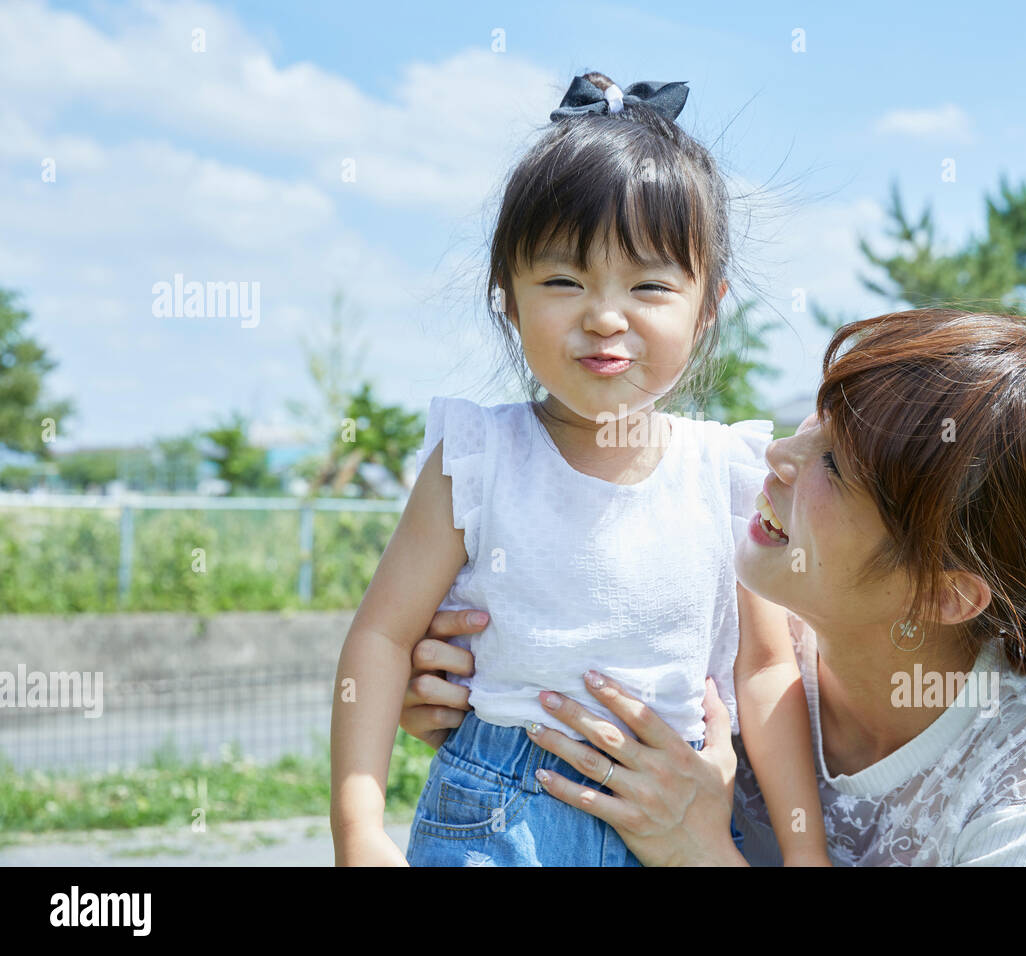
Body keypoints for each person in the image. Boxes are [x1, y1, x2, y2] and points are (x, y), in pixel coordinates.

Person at [400, 308, 1026, 865]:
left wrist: (700, 852)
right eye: (817, 419)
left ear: (945, 594)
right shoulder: (715, 624)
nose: (778, 454)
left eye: (834, 466)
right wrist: (485, 704)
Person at [330, 71, 830, 867]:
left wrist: (807, 858)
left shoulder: (727, 473)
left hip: (675, 817)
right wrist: (358, 831)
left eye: (650, 284)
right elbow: (382, 638)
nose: (604, 315)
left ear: (707, 309)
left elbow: (765, 673)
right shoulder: (474, 459)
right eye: (563, 280)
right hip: (493, 821)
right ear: (508, 295)